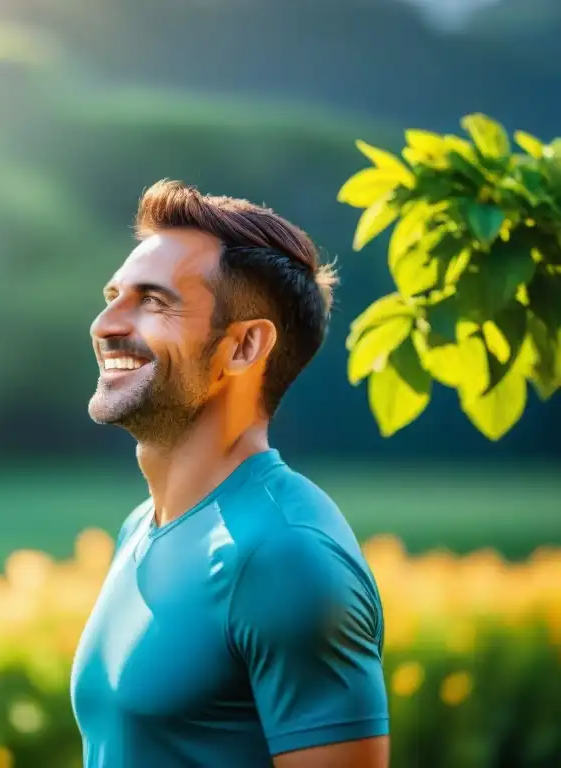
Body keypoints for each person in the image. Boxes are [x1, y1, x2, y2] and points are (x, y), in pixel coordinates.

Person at [70, 180, 389, 768]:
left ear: (243, 347)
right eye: (113, 295)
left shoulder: (286, 555)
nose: (105, 323)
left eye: (154, 301)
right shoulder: (142, 526)